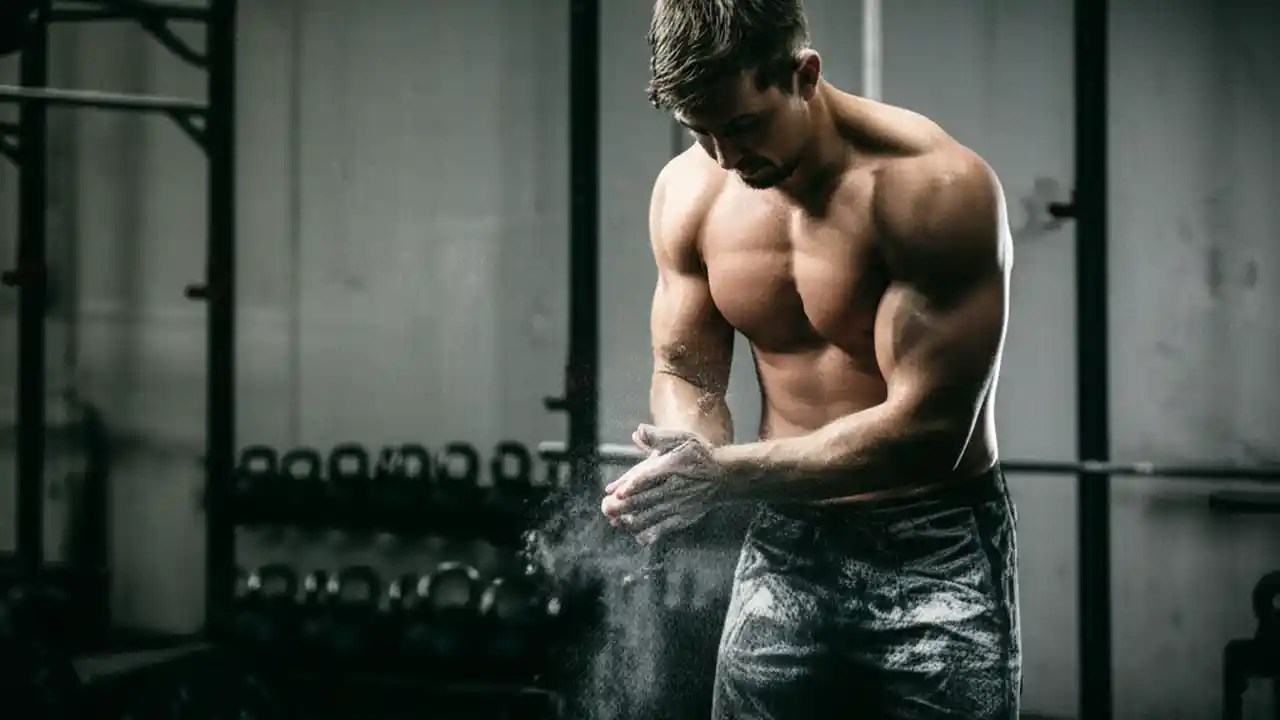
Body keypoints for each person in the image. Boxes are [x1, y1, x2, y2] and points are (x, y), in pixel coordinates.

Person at [599, 1, 1021, 717]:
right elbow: (685, 370)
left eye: (741, 125)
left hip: (932, 541)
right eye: (700, 132)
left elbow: (931, 432)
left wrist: (722, 475)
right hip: (787, 536)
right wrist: (687, 459)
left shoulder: (934, 191)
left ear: (804, 75)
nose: (726, 157)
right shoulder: (689, 192)